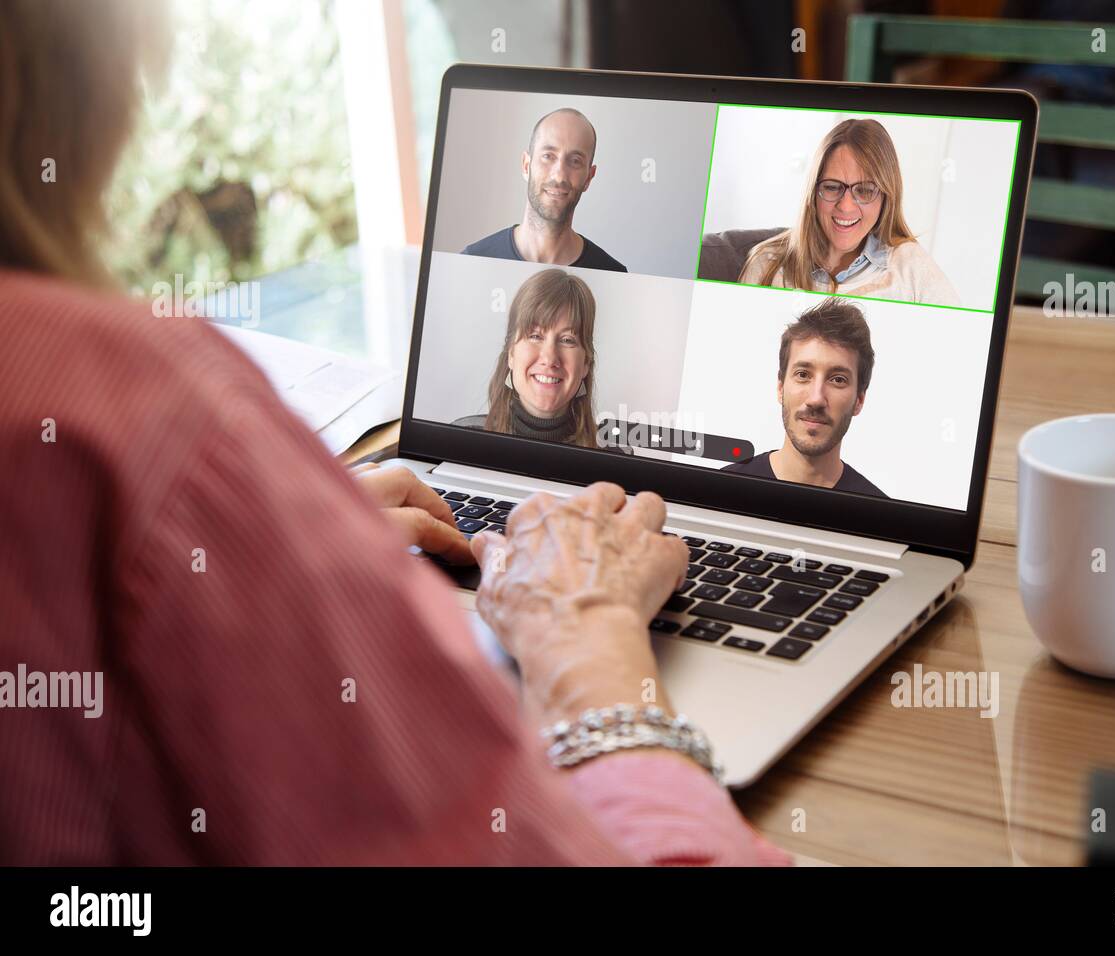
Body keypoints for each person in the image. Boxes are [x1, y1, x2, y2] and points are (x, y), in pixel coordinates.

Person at [0, 0, 788, 866]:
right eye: (534, 333)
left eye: (572, 339)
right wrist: (591, 642)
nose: (551, 356)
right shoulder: (147, 419)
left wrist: (265, 560)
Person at [739, 118, 959, 306]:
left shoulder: (912, 268)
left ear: (887, 197)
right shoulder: (767, 265)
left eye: (864, 190)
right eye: (832, 187)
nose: (845, 206)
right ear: (813, 192)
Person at [724, 298, 887, 496]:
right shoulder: (721, 491)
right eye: (803, 375)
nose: (816, 399)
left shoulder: (880, 518)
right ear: (780, 387)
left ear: (859, 400)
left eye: (837, 380)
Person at [461, 108, 627, 273]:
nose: (559, 175)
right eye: (548, 156)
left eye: (575, 161)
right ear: (526, 166)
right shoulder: (472, 263)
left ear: (589, 178)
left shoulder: (613, 276)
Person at [452, 269, 599, 447]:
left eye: (567, 340)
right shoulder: (460, 441)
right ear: (511, 353)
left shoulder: (612, 461)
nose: (550, 358)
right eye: (535, 336)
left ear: (585, 363)